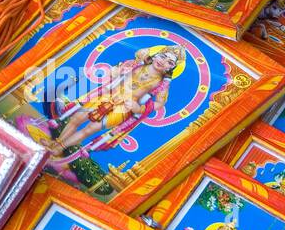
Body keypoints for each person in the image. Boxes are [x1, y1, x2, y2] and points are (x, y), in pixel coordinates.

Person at [45, 45, 184, 157]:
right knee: (76, 119)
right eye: (163, 56)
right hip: (108, 94)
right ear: (156, 55)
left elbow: (160, 103)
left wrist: (138, 108)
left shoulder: (162, 85)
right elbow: (115, 71)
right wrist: (118, 71)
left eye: (170, 62)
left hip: (123, 108)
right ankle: (54, 144)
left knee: (89, 129)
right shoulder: (137, 64)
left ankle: (59, 149)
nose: (163, 61)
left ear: (171, 68)